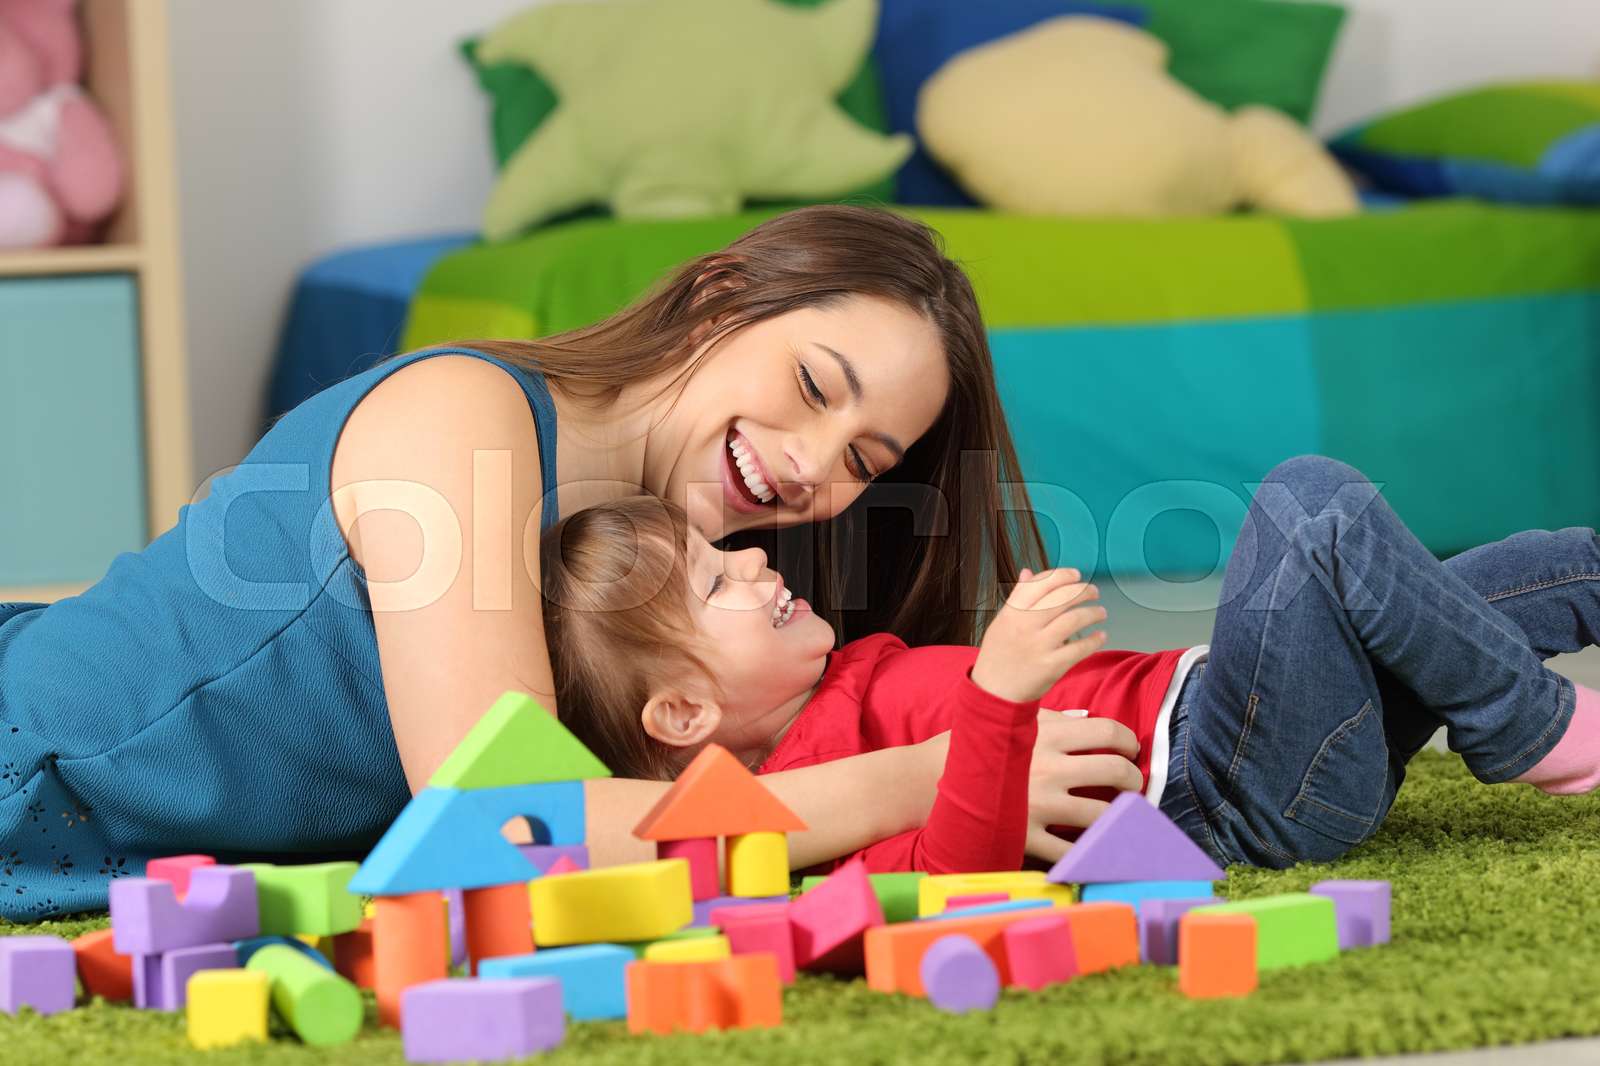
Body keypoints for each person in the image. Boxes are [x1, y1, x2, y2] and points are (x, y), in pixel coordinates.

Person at [0, 204, 1153, 919]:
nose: (809, 465)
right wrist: (924, 777)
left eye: (863, 454)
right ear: (715, 297)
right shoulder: (463, 418)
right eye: (809, 385)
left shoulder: (672, 571)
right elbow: (503, 827)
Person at [539, 456, 1600, 874]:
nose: (755, 561)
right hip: (1230, 787)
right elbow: (949, 875)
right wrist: (998, 696)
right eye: (717, 584)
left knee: (1514, 573)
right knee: (1308, 504)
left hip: (1246, 726)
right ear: (681, 712)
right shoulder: (791, 805)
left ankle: (1534, 678)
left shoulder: (845, 679)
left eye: (728, 550)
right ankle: (1526, 725)